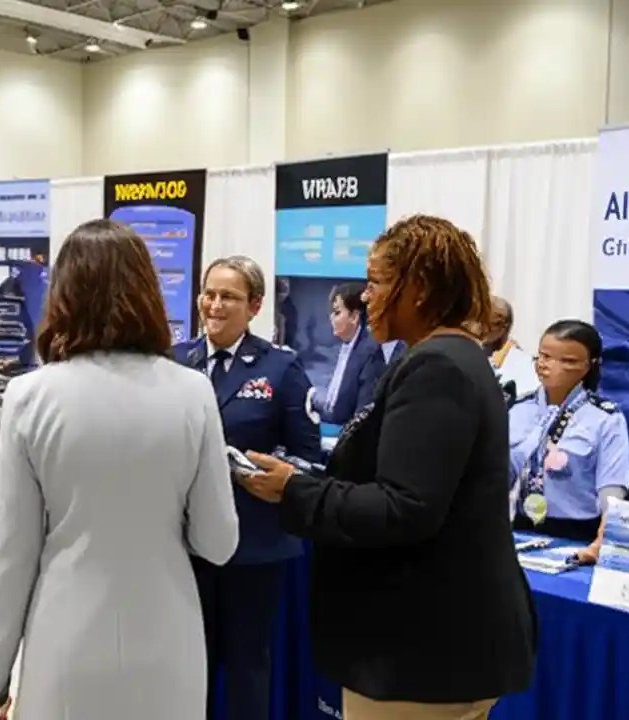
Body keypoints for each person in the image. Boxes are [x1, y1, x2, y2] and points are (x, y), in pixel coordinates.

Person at [238, 215, 536, 720]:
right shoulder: (446, 359)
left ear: (417, 288)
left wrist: (295, 490)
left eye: (375, 283)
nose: (366, 298)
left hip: (422, 652)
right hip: (435, 646)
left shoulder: (437, 367)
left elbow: (404, 506)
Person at [0, 219, 239, 720]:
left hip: (66, 639)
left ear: (64, 294)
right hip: (168, 640)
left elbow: (11, 556)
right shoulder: (193, 392)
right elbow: (218, 543)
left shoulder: (29, 397)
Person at [174, 255, 321, 720]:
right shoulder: (175, 360)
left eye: (229, 297)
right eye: (209, 294)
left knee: (246, 665)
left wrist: (266, 474)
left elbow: (308, 457)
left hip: (254, 544)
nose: (215, 305)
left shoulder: (281, 368)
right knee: (187, 664)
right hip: (184, 544)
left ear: (255, 305)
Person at [508, 320, 629, 555]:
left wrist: (599, 544)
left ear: (589, 365)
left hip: (578, 535)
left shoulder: (605, 418)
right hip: (521, 527)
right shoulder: (517, 408)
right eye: (543, 356)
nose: (548, 366)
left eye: (567, 361)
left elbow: (612, 492)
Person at [317, 281, 387, 425]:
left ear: (354, 317)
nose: (331, 318)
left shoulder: (369, 353)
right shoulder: (346, 348)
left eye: (337, 312)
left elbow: (363, 416)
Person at [485, 296, 538, 401]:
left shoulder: (522, 363)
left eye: (487, 323)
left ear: (504, 326)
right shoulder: (468, 351)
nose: (479, 328)